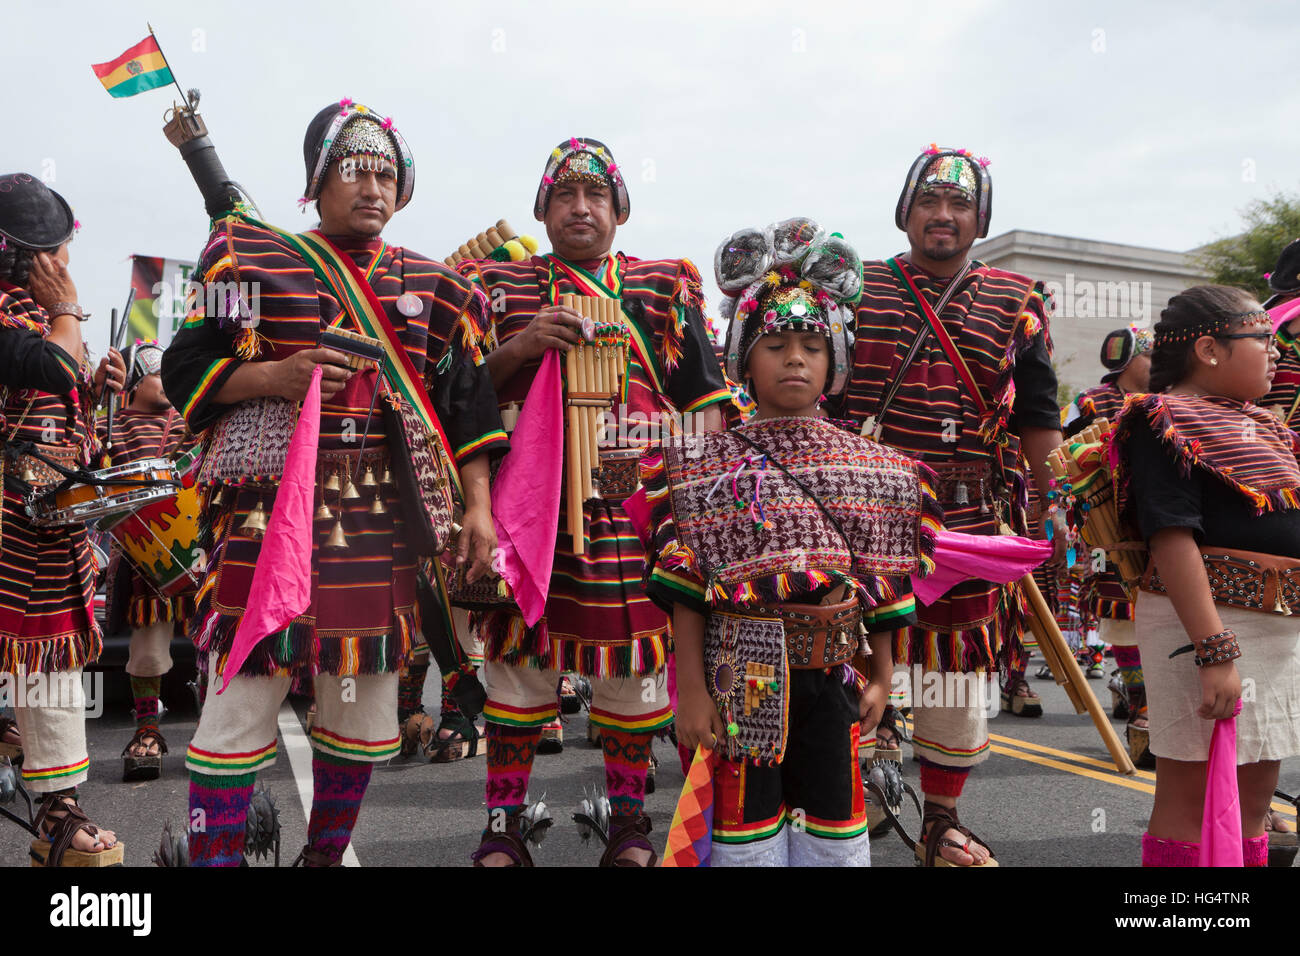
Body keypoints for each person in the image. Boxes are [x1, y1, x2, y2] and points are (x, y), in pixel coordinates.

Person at [162, 100, 507, 867]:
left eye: (386, 172)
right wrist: (273, 375)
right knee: (241, 699)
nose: (372, 185)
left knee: (362, 707)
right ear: (316, 185)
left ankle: (322, 857)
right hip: (266, 514)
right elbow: (180, 368)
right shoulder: (249, 262)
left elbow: (468, 409)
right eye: (353, 170)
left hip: (379, 521)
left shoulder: (441, 288)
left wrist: (478, 508)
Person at [458, 137, 730, 866]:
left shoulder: (663, 288)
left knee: (632, 675)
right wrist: (519, 351)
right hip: (533, 508)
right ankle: (504, 825)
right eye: (565, 195)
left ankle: (630, 820)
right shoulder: (498, 289)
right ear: (543, 209)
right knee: (518, 670)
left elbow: (707, 404)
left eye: (597, 196)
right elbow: (457, 396)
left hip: (635, 511)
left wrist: (671, 470)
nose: (581, 208)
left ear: (620, 210)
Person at [647, 221, 941, 866]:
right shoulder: (701, 465)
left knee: (834, 831)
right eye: (775, 344)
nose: (795, 358)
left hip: (835, 674)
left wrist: (885, 677)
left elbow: (889, 580)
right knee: (745, 835)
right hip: (741, 676)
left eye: (812, 343)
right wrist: (691, 691)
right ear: (742, 361)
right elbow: (689, 591)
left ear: (835, 358)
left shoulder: (881, 468)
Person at [828, 146, 1064, 865]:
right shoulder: (853, 286)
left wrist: (1048, 507)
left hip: (966, 512)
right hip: (857, 504)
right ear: (904, 213)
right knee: (839, 650)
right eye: (928, 201)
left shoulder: (1017, 301)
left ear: (980, 218)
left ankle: (941, 819)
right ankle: (836, 807)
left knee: (954, 670)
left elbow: (1040, 416)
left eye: (960, 204)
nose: (943, 215)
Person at [1114, 284, 1296, 868]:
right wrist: (1213, 649)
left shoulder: (1265, 426)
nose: (1277, 353)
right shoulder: (1160, 418)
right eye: (1262, 340)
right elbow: (1172, 538)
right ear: (1210, 351)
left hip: (1274, 629)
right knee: (1190, 791)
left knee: (1257, 788)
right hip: (1203, 629)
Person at [0, 172, 125, 865]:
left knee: (51, 664)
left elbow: (69, 429)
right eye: (51, 253)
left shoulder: (40, 322)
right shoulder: (24, 320)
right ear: (21, 259)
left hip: (43, 532)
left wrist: (95, 389)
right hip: (6, 528)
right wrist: (69, 311)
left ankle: (57, 810)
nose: (63, 267)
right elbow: (46, 365)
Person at [98, 341, 197, 781]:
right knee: (149, 648)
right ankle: (148, 731)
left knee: (215, 640)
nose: (169, 383)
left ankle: (214, 733)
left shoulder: (190, 422)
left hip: (197, 550)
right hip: (144, 559)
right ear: (137, 383)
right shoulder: (110, 429)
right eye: (160, 375)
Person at [1062, 326, 1153, 763]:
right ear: (1131, 362)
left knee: (1158, 607)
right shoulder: (1088, 403)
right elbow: (1064, 461)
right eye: (1150, 357)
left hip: (1156, 521)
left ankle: (1146, 697)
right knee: (1121, 612)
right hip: (1106, 525)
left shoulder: (1166, 400)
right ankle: (1140, 699)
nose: (1156, 367)